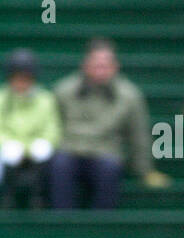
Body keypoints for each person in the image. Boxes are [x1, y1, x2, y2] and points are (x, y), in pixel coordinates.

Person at [50, 38, 170, 210]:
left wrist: (144, 170)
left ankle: (101, 228)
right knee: (59, 164)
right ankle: (62, 225)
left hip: (107, 152)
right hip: (70, 150)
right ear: (85, 65)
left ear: (115, 66)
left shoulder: (130, 96)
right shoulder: (63, 90)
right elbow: (51, 126)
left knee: (109, 167)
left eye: (105, 65)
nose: (100, 70)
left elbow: (139, 135)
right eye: (96, 64)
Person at [0, 49, 60, 209]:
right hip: (8, 151)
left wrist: (41, 144)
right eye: (17, 78)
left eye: (26, 78)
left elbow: (52, 127)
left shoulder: (46, 100)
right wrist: (8, 143)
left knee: (44, 153)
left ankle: (38, 198)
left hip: (36, 152)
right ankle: (7, 197)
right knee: (8, 154)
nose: (21, 83)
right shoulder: (1, 98)